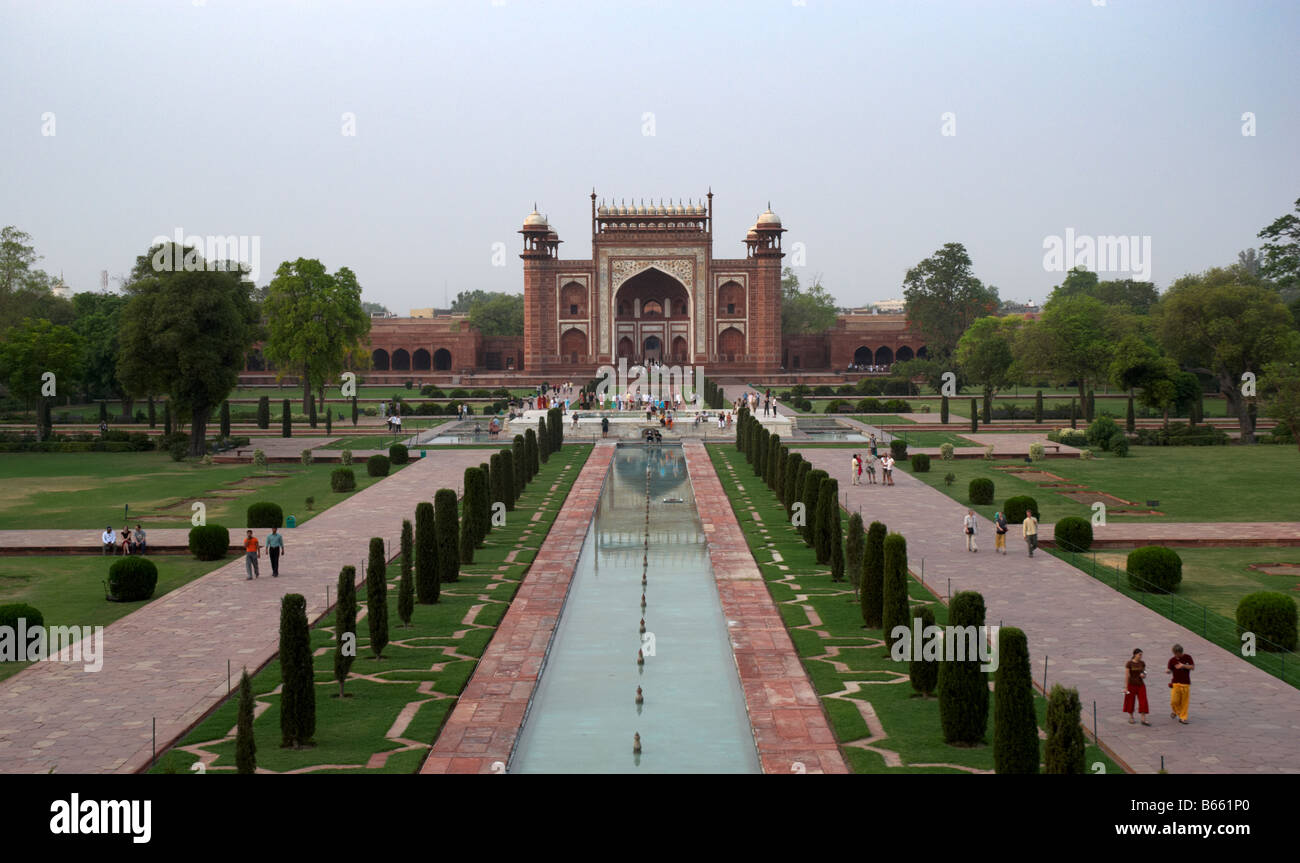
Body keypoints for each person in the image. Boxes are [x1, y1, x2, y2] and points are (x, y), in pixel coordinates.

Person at [1167, 644, 1194, 724]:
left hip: (1185, 683)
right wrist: (1169, 671)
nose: (1175, 655)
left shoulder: (1188, 657)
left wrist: (1183, 665)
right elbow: (1171, 669)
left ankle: (1183, 717)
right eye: (1174, 654)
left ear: (1180, 652)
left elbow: (1192, 667)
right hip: (1175, 683)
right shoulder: (1172, 660)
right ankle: (1175, 711)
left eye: (1176, 654)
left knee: (1184, 702)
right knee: (1174, 701)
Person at [1124, 648, 1150, 725]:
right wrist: (1126, 687)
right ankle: (1131, 717)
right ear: (1135, 654)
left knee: (1143, 700)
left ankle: (1143, 718)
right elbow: (1127, 676)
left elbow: (1144, 672)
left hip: (1140, 685)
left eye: (1141, 655)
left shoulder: (1142, 663)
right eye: (1140, 654)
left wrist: (1144, 675)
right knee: (1130, 701)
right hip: (1131, 685)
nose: (1141, 656)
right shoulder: (1129, 663)